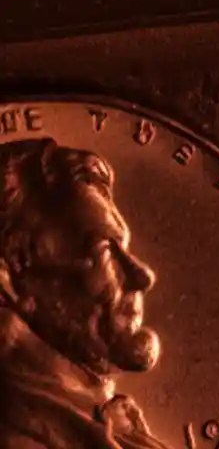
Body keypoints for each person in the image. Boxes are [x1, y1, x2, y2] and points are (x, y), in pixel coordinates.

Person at [0, 139, 170, 448]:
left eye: (125, 249)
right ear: (8, 282)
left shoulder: (110, 426)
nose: (142, 275)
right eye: (103, 252)